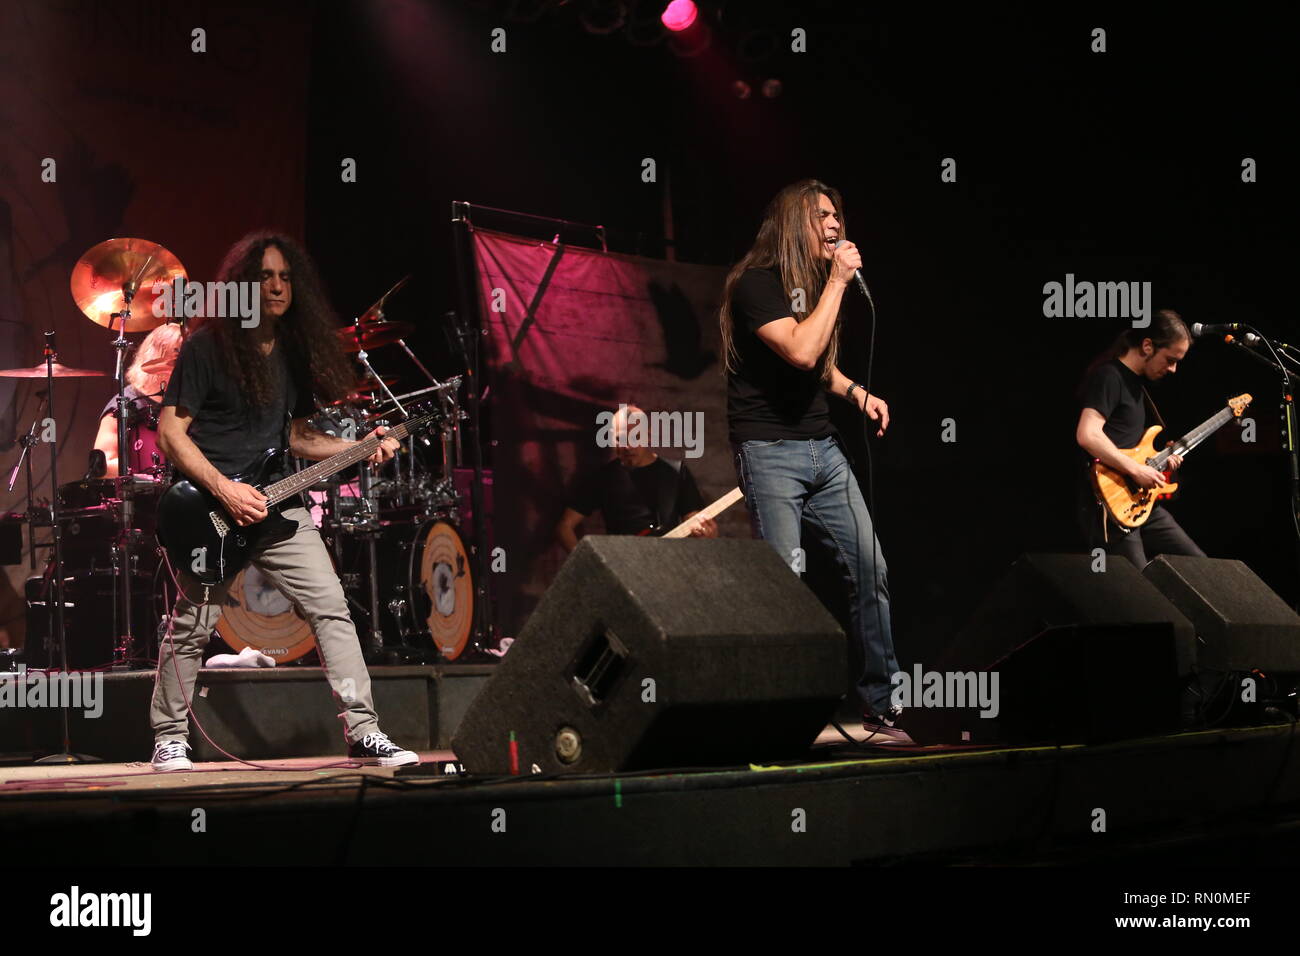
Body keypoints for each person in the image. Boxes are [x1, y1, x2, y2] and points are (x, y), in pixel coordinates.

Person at [149, 231, 418, 771]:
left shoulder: (294, 352)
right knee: (194, 622)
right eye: (265, 276)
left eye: (285, 277)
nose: (276, 286)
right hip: (212, 506)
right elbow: (169, 432)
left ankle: (363, 730)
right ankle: (169, 736)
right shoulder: (208, 346)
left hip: (277, 503)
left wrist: (362, 446)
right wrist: (224, 489)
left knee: (331, 609)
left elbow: (296, 437)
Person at [719, 178, 906, 742]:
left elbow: (819, 365)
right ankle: (780, 712)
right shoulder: (755, 284)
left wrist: (857, 393)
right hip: (769, 452)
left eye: (837, 216)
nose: (834, 224)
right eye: (822, 215)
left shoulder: (814, 287)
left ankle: (882, 705)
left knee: (870, 569)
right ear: (793, 222)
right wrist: (841, 281)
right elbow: (801, 349)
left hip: (824, 451)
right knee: (787, 582)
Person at [1075, 310, 1203, 567]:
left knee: (1201, 566)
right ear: (1147, 346)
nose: (1173, 369)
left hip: (1141, 501)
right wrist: (1135, 469)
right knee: (1142, 591)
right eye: (1170, 359)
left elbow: (1125, 445)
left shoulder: (1137, 385)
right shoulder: (1110, 376)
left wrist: (1159, 460)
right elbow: (1087, 434)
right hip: (1110, 504)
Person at [556, 403, 717, 550]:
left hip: (667, 564)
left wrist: (705, 531)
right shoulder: (603, 477)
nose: (627, 446)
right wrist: (585, 563)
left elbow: (694, 520)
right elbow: (565, 526)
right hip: (621, 566)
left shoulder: (675, 471)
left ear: (647, 436)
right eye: (620, 439)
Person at [93, 322, 182, 477]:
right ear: (157, 358)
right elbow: (104, 464)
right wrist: (142, 476)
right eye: (177, 360)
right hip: (139, 493)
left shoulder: (189, 402)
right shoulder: (125, 404)